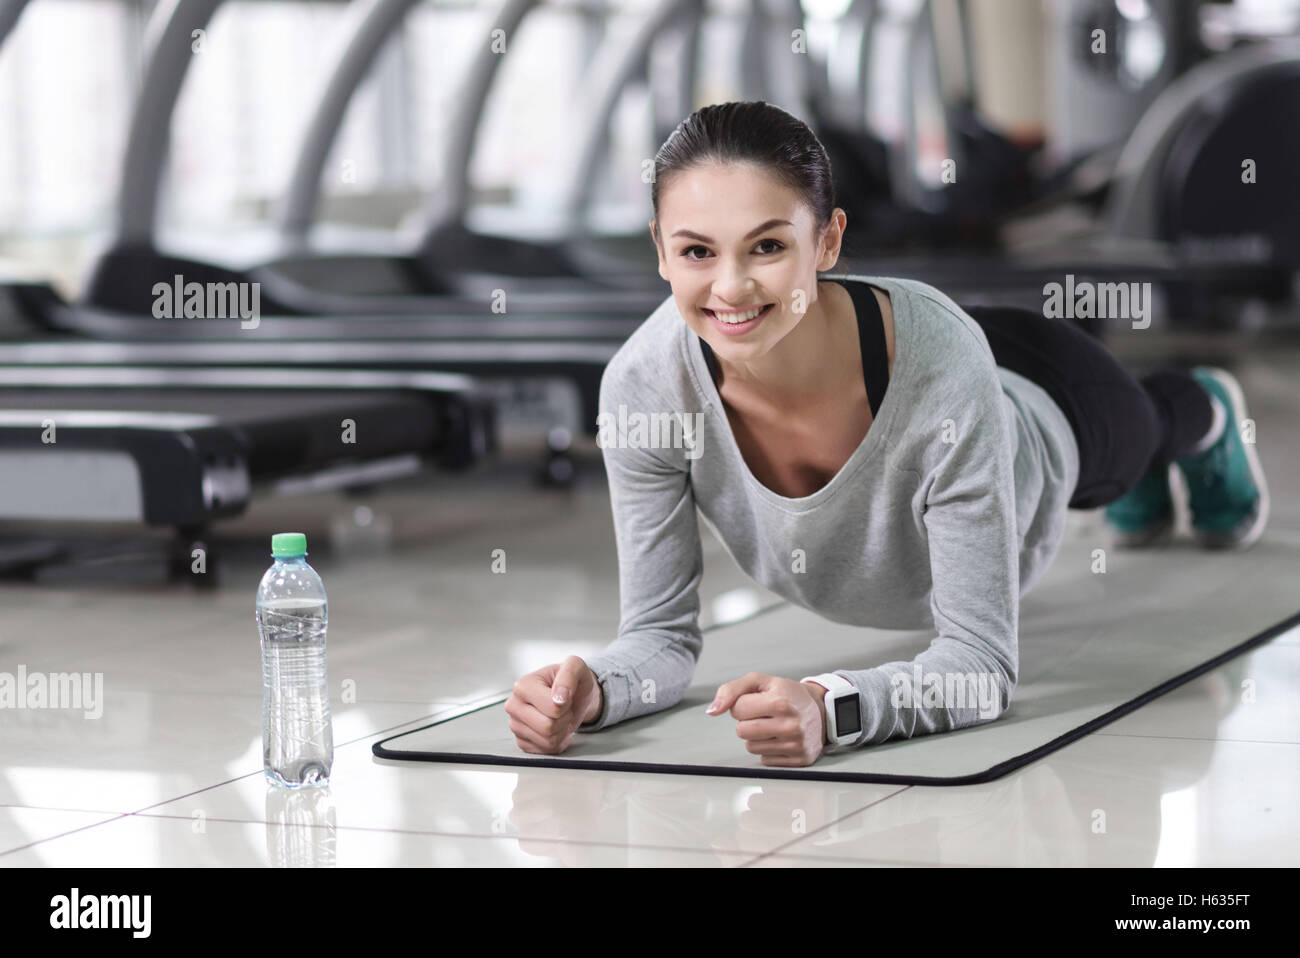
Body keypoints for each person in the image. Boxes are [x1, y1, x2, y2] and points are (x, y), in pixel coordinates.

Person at [503, 100, 1270, 767]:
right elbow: (661, 637)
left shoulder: (941, 365)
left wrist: (832, 706)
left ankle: (1203, 413)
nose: (730, 287)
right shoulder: (642, 390)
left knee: (1147, 434)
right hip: (950, 369)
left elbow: (980, 665)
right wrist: (595, 690)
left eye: (768, 246)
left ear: (828, 242)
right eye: (697, 250)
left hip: (1043, 401)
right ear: (660, 250)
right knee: (1120, 484)